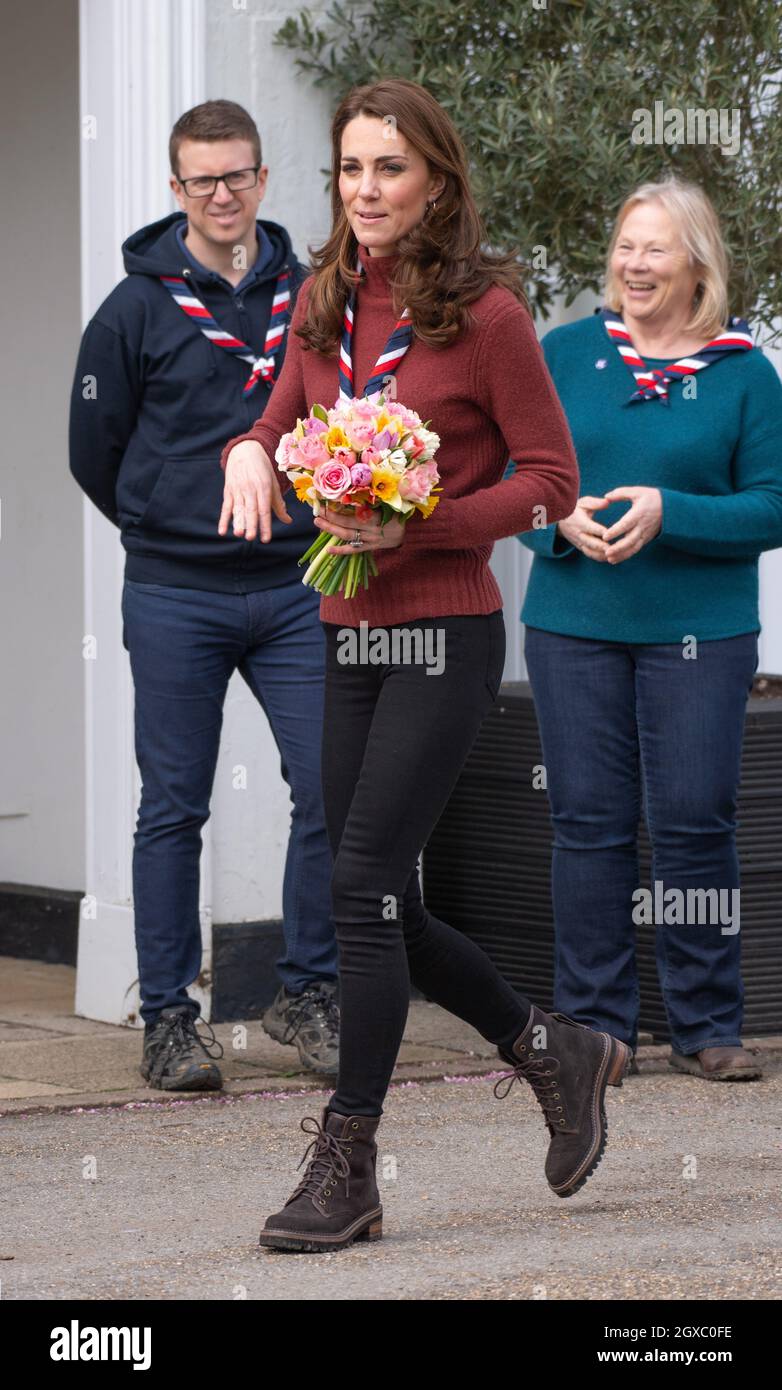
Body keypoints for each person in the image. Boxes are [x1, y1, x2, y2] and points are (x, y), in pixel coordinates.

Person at [220, 77, 631, 1253]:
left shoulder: (486, 315)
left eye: (387, 169)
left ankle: (347, 1160)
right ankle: (553, 1048)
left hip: (442, 631)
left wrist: (422, 522)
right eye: (349, 169)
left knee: (355, 884)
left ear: (435, 181)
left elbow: (547, 480)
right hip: (345, 632)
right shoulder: (321, 301)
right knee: (382, 899)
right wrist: (251, 455)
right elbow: (281, 416)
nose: (365, 190)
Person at [69, 99, 340, 1091]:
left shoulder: (315, 296)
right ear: (175, 189)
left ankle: (306, 992)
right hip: (176, 591)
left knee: (327, 789)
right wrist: (166, 518)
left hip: (297, 585)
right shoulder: (133, 308)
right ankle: (170, 1021)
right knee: (173, 806)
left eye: (238, 176)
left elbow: (349, 421)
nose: (222, 195)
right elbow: (91, 452)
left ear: (263, 180)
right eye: (201, 181)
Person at [519, 176, 782, 1083]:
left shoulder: (745, 375)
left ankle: (709, 1024)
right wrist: (554, 521)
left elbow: (773, 508)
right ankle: (596, 1028)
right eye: (626, 246)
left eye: (655, 248)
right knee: (586, 822)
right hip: (573, 622)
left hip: (700, 633)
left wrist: (674, 512)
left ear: (696, 262)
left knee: (694, 821)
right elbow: (520, 479)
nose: (634, 264)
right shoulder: (564, 353)